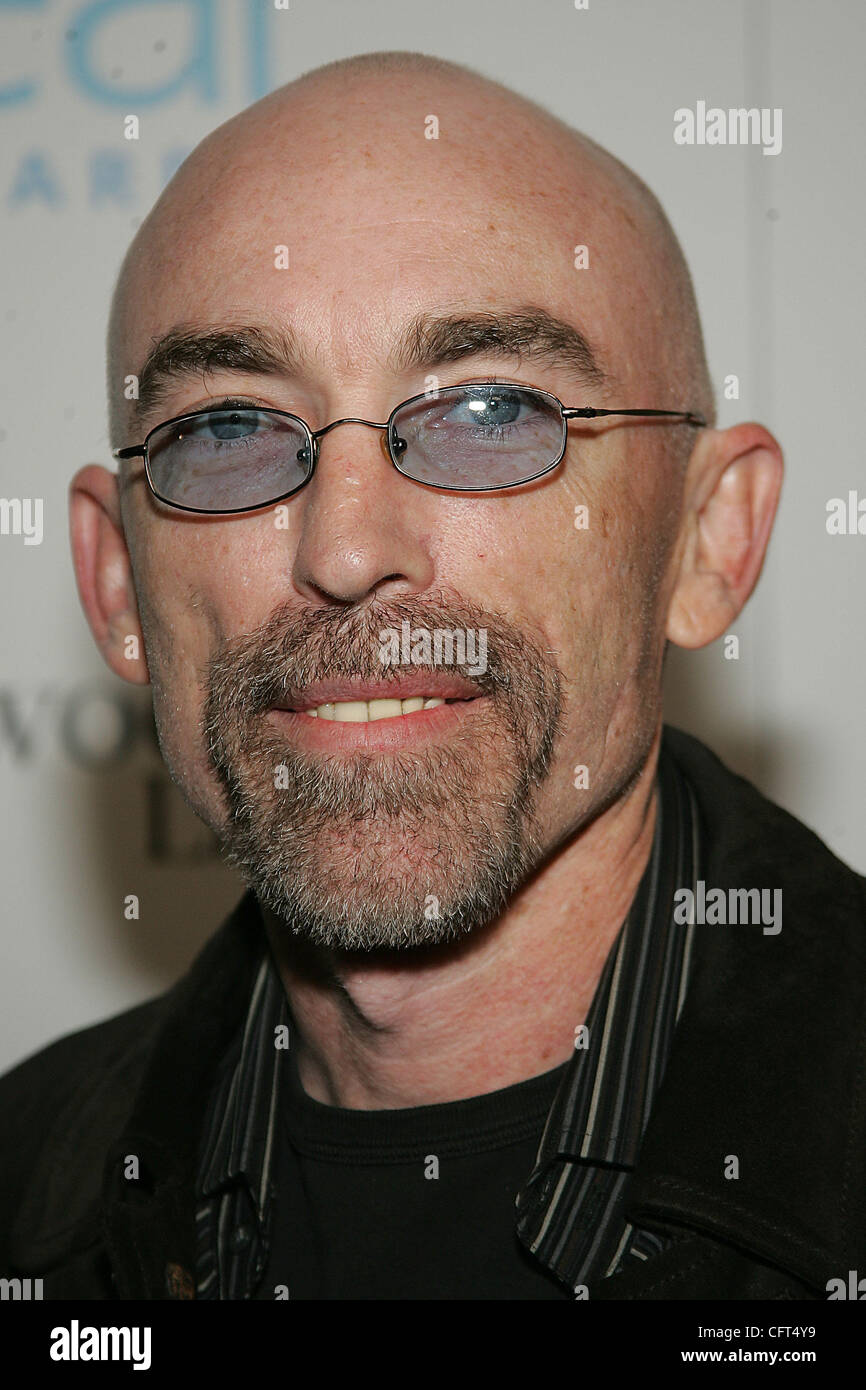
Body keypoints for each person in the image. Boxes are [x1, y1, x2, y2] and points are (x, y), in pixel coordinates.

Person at [1, 50, 862, 1303]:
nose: (346, 549)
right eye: (229, 428)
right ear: (119, 582)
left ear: (705, 540)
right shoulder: (29, 1192)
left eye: (491, 412)